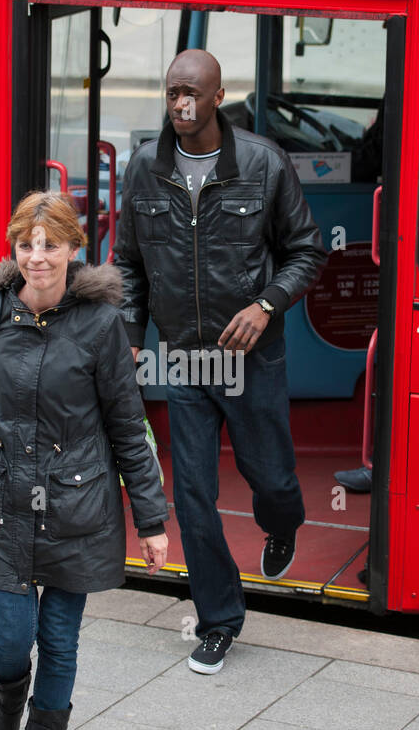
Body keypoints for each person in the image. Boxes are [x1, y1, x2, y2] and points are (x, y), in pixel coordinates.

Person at [0, 192, 169, 730]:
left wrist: (151, 519)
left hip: (77, 508)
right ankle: (8, 697)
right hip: (1, 502)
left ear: (72, 250)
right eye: (27, 245)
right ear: (14, 248)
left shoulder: (102, 324)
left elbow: (127, 424)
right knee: (11, 639)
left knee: (60, 640)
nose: (37, 257)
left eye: (50, 245)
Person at [114, 49, 328, 675]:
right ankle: (218, 621)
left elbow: (307, 252)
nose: (180, 103)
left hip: (252, 359)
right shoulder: (144, 171)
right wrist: (131, 332)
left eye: (192, 92)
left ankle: (282, 523)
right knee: (194, 495)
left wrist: (266, 304)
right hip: (186, 359)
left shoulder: (263, 163)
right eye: (172, 90)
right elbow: (128, 261)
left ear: (217, 96)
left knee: (273, 478)